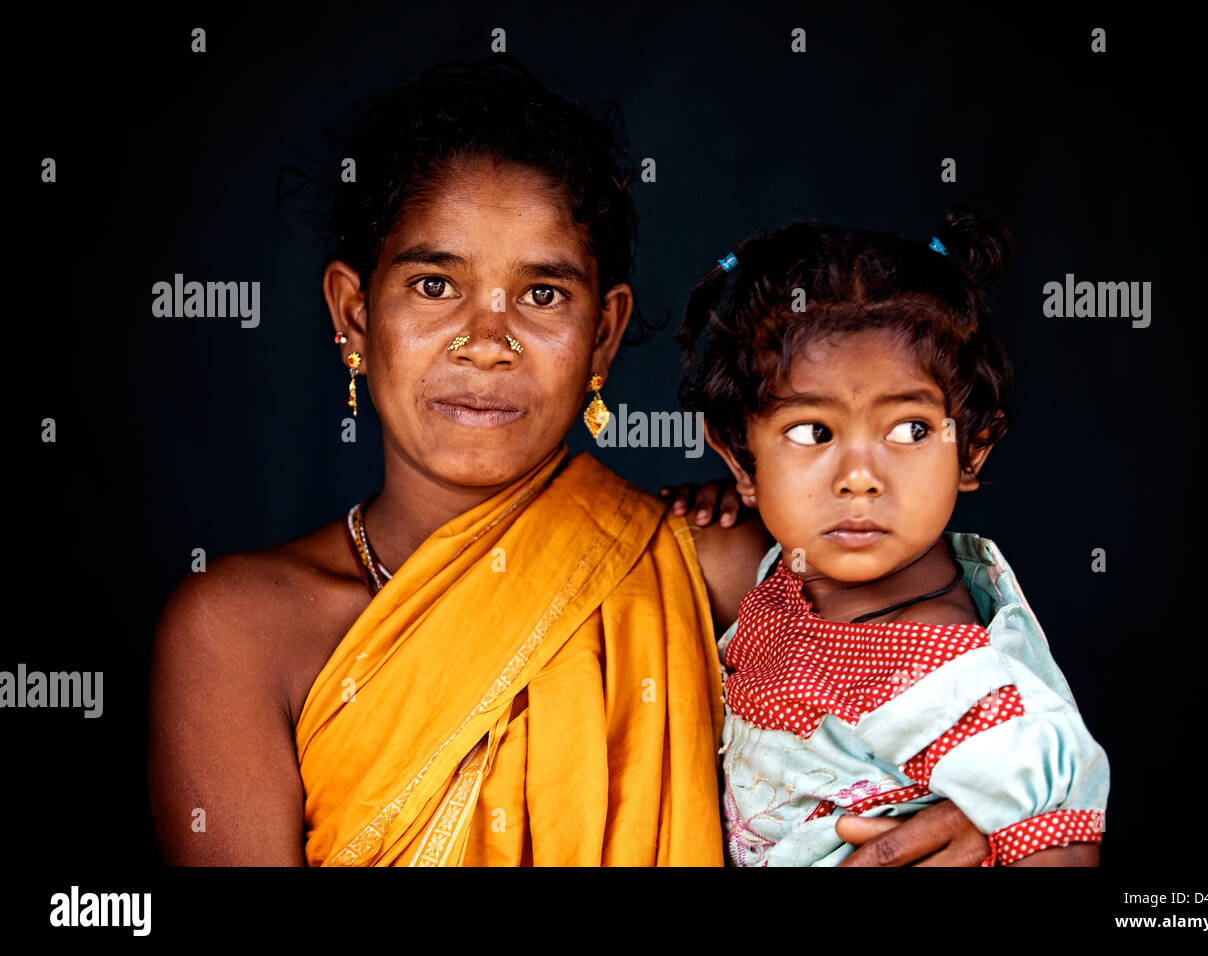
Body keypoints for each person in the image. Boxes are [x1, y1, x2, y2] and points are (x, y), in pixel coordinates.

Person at [147, 56, 995, 866]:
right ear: (354, 317)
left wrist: (985, 816)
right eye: (435, 286)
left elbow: (960, 747)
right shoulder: (237, 632)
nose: (487, 343)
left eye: (543, 294)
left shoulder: (714, 570)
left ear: (606, 333)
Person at [676, 204, 1109, 865]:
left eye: (909, 430)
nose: (858, 478)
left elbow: (1063, 845)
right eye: (810, 433)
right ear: (740, 459)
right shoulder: (780, 586)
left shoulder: (948, 673)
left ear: (972, 451)